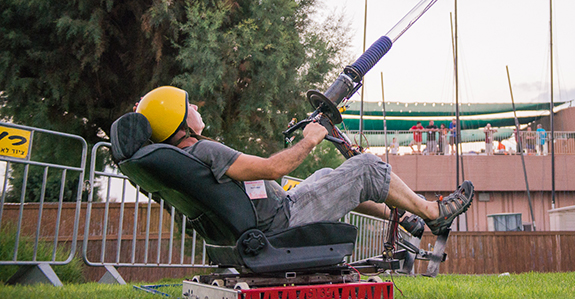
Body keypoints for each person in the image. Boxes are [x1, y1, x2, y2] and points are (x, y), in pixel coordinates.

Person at [135, 86, 473, 238]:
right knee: (366, 166)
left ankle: (403, 218)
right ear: (178, 120)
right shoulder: (205, 152)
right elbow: (273, 169)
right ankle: (432, 214)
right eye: (190, 106)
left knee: (329, 174)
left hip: (269, 216)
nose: (197, 109)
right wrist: (310, 139)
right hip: (282, 221)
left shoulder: (181, 159)